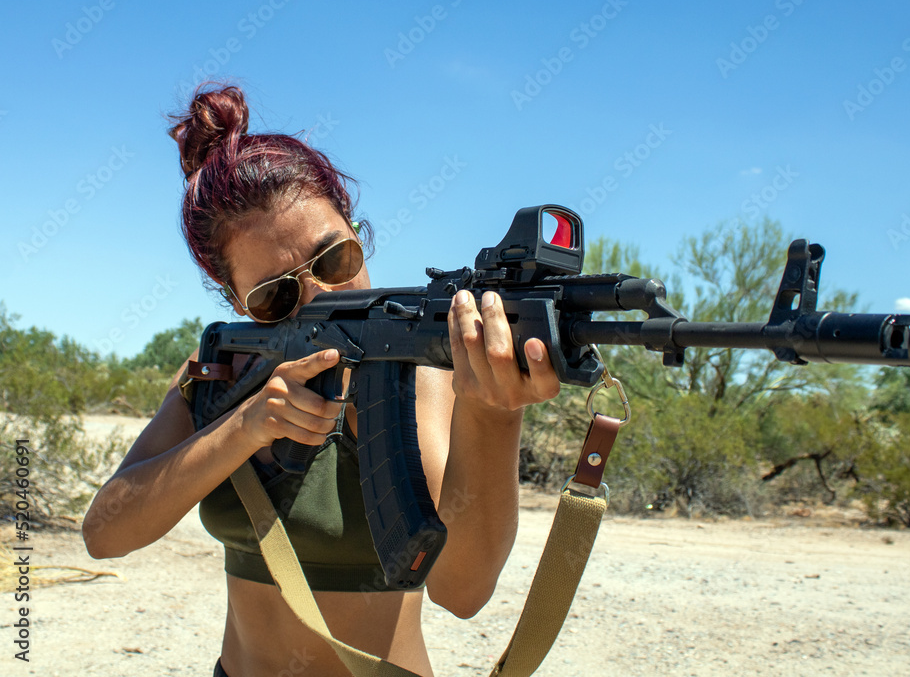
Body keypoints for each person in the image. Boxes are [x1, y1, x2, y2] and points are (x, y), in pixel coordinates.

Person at [83, 83, 562, 677]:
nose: (321, 296)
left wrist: (494, 412)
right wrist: (245, 428)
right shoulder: (219, 372)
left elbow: (462, 593)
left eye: (334, 259)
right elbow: (104, 534)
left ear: (358, 232)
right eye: (275, 294)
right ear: (236, 301)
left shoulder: (430, 372)